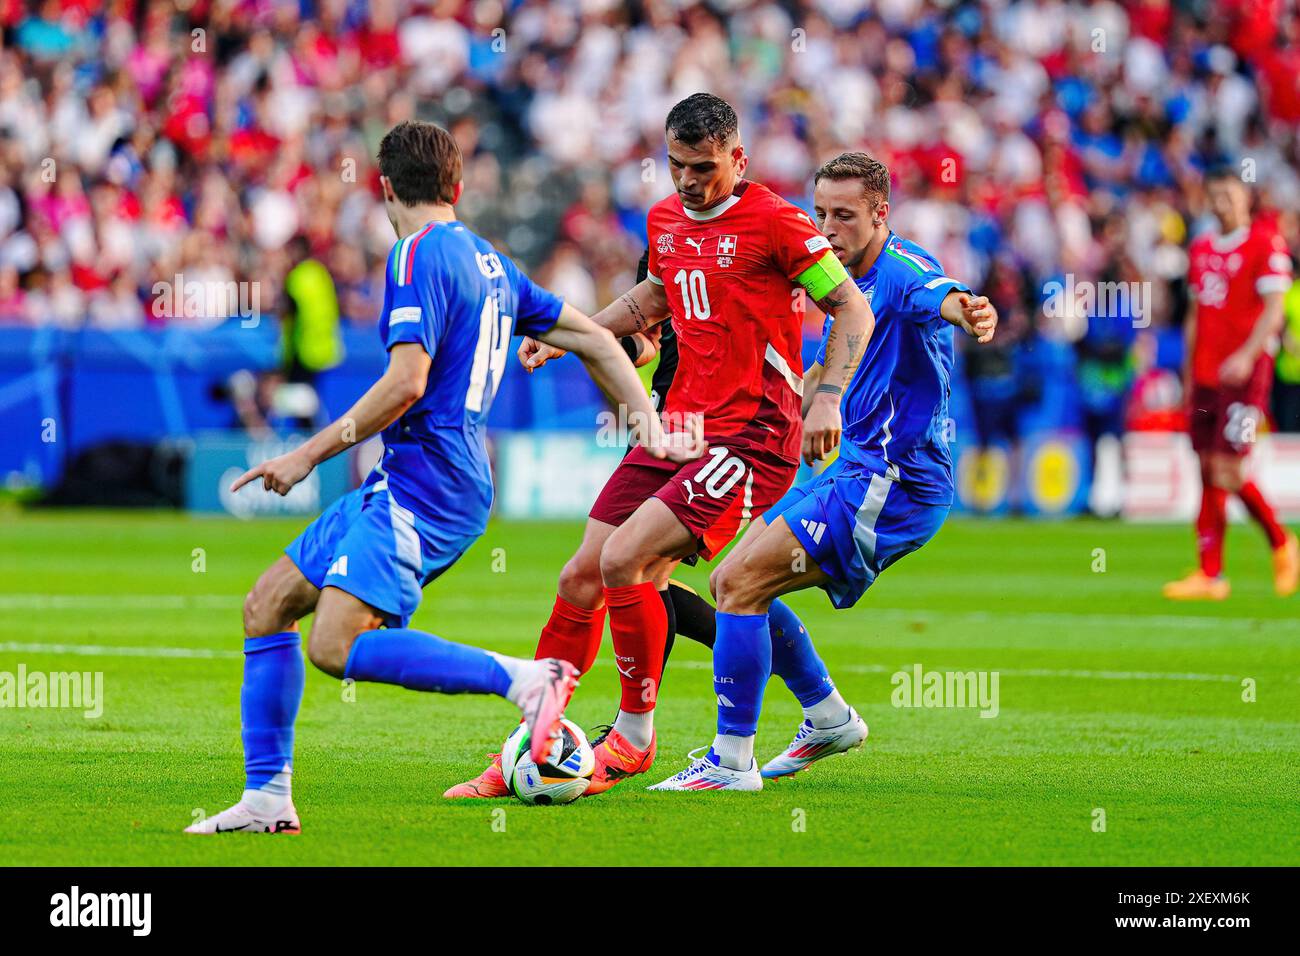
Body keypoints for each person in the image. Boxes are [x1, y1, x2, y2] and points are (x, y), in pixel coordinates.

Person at [185, 120, 700, 834]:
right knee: (267, 605)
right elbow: (589, 335)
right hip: (418, 477)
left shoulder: (414, 255)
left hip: (428, 481)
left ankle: (528, 678)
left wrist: (306, 455)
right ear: (457, 187)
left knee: (334, 647)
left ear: (385, 187)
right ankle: (267, 801)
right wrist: (645, 422)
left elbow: (405, 381)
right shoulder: (489, 261)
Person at [446, 93, 875, 798]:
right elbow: (654, 298)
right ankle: (537, 739)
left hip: (751, 436)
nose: (687, 181)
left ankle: (635, 738)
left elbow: (850, 306)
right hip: (676, 427)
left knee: (627, 561)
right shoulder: (666, 219)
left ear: (738, 158)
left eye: (703, 168)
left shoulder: (781, 224)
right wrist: (573, 335)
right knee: (581, 577)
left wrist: (827, 396)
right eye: (676, 165)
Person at [647, 152, 999, 791]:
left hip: (894, 482)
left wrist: (970, 308)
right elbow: (829, 371)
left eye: (845, 215)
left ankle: (732, 762)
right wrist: (802, 407)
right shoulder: (838, 282)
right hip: (856, 468)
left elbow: (939, 297)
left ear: (880, 214)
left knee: (743, 585)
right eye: (821, 213)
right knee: (733, 579)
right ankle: (827, 717)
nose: (829, 228)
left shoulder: (902, 271)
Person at [1163, 168, 1298, 601]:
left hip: (1245, 377)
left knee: (1230, 469)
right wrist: (1187, 372)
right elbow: (1195, 315)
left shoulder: (1265, 242)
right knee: (1205, 468)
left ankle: (1282, 542)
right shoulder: (1201, 248)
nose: (1222, 204)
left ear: (1246, 200)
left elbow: (1275, 307)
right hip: (1204, 375)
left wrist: (1246, 354)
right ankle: (1210, 574)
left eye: (1230, 196)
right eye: (1216, 196)